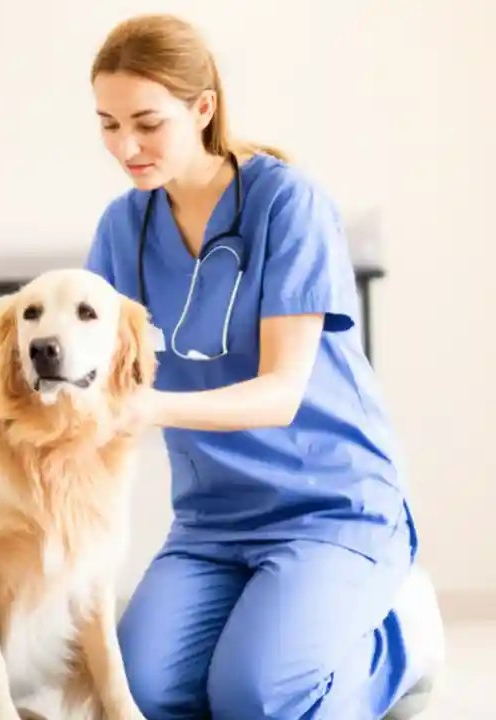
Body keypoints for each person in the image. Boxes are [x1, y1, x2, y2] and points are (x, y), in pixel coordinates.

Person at [79, 13, 446, 720]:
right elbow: (90, 374)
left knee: (258, 697)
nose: (126, 146)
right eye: (108, 123)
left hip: (332, 507)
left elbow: (281, 393)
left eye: (147, 122)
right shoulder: (123, 229)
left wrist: (150, 406)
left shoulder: (287, 203)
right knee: (143, 697)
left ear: (203, 107)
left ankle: (403, 642)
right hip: (213, 521)